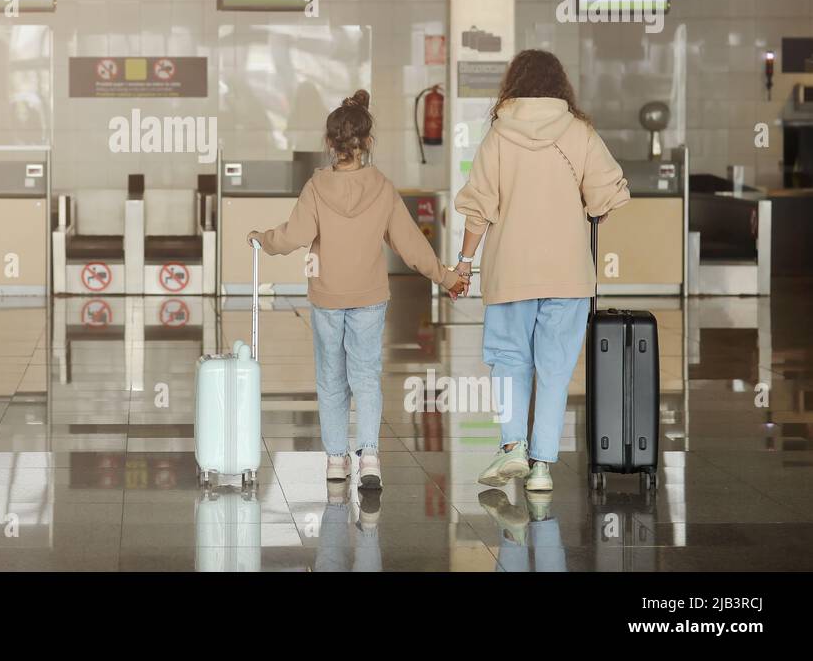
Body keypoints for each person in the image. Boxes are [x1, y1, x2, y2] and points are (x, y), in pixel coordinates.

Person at [249, 89, 468, 490]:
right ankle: (369, 458)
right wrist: (446, 276)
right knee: (366, 376)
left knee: (331, 377)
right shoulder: (382, 187)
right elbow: (410, 245)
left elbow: (294, 234)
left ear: (330, 144)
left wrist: (263, 238)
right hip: (369, 298)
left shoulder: (317, 187)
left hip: (327, 298)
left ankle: (335, 459)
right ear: (367, 142)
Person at [453, 50, 630, 493]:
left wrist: (464, 262)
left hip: (511, 270)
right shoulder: (581, 132)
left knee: (510, 359)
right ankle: (542, 468)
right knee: (554, 368)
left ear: (514, 83)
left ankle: (512, 444)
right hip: (568, 272)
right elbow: (606, 196)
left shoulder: (499, 133)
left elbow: (478, 207)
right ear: (560, 84)